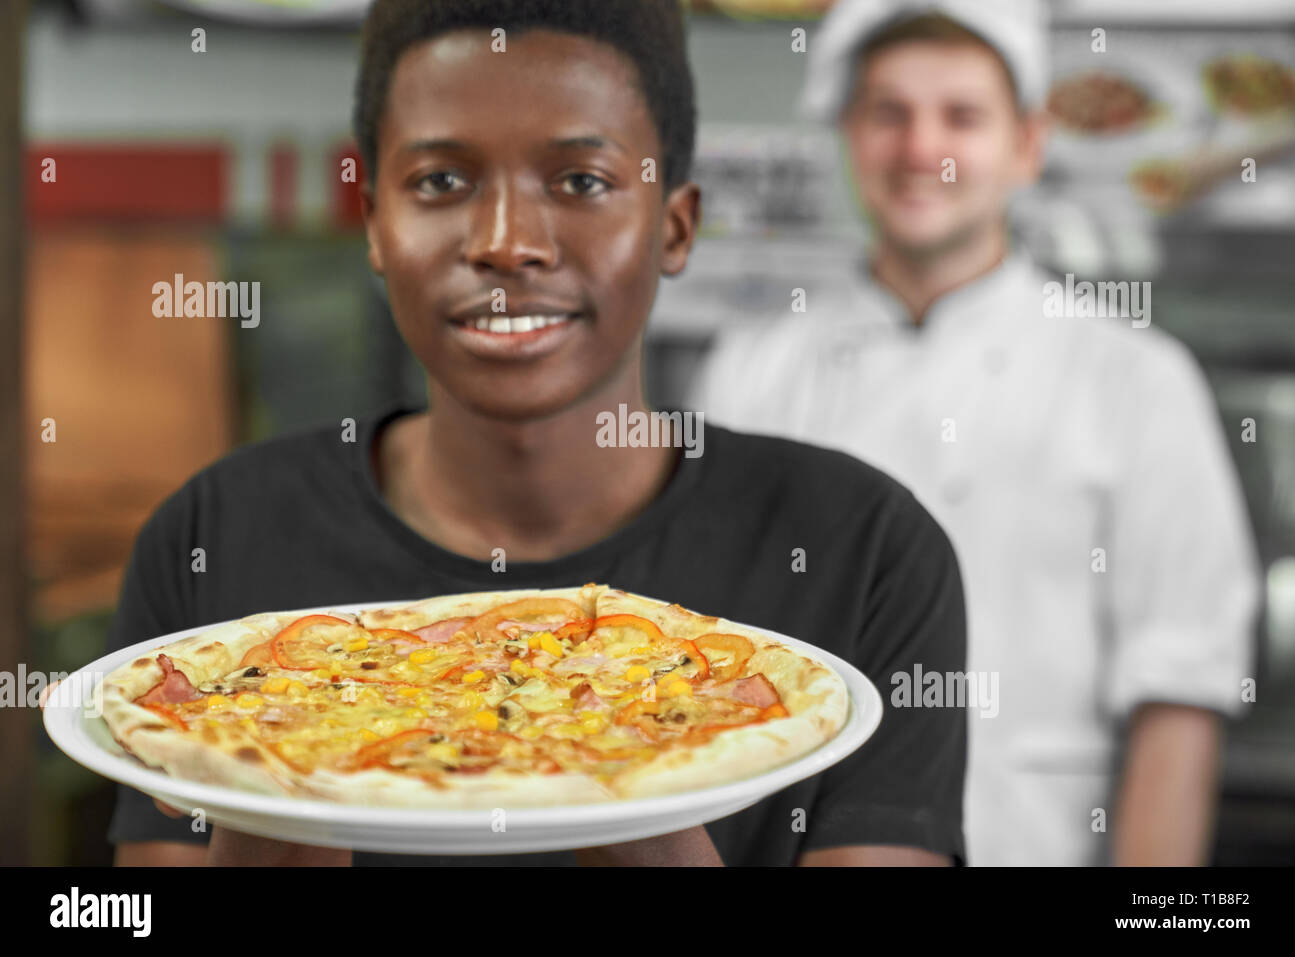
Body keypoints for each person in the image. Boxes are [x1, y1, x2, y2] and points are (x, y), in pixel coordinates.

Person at [108, 0, 968, 867]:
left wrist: (629, 765)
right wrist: (282, 775)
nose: (506, 244)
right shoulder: (211, 534)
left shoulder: (864, 549)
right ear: (373, 224)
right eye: (442, 181)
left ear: (676, 225)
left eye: (581, 181)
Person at [687, 0, 1260, 866]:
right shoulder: (748, 371)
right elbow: (706, 666)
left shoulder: (1137, 379)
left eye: (962, 115)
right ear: (848, 135)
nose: (921, 149)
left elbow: (1178, 693)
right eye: (888, 113)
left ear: (1027, 144)